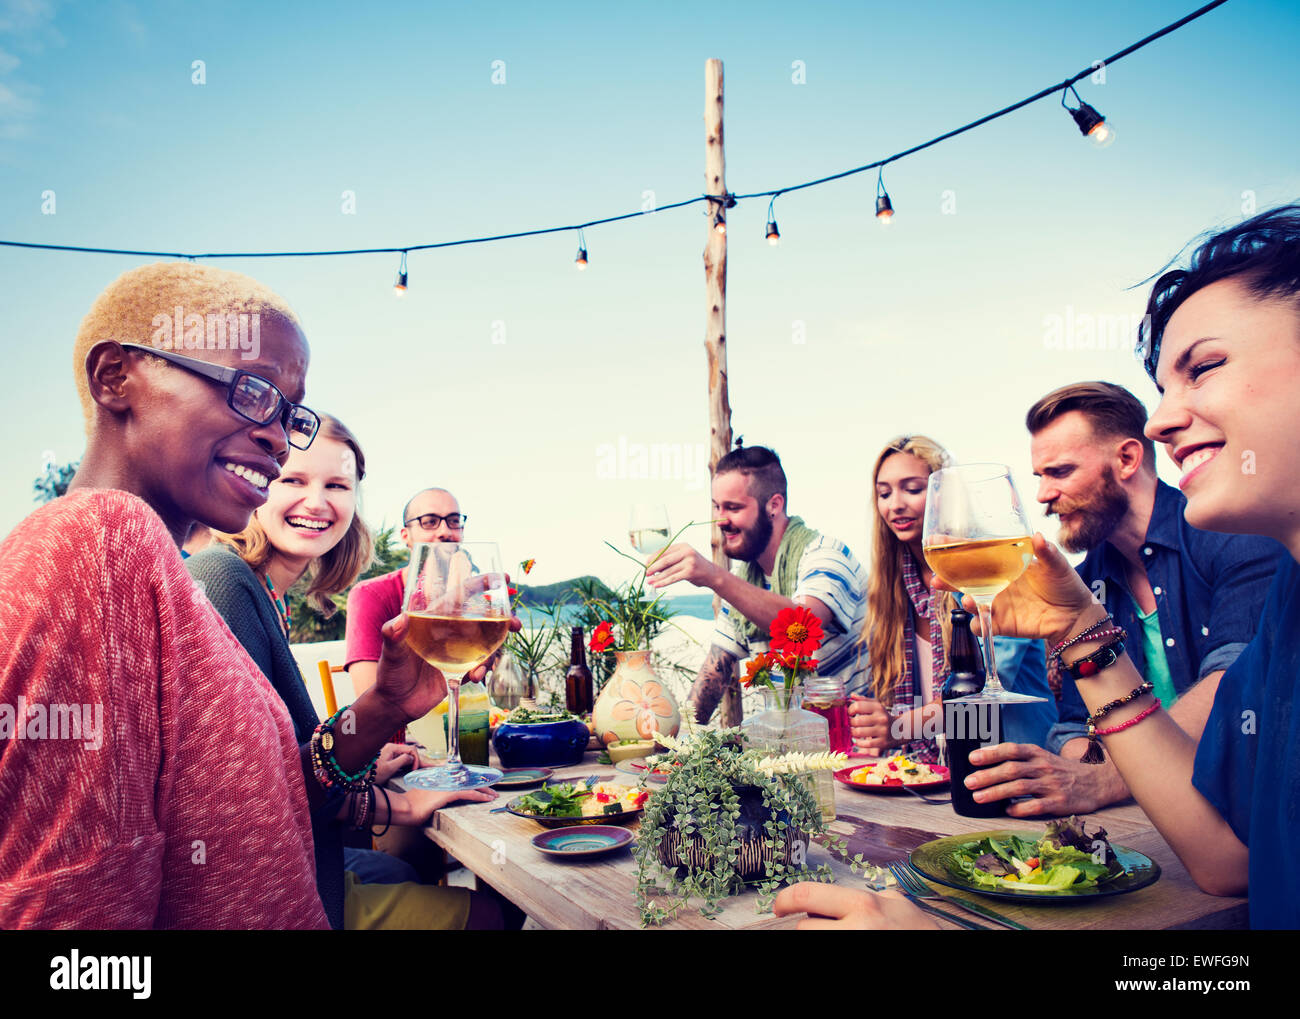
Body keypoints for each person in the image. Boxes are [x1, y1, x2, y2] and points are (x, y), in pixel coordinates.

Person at [777, 203, 1300, 929]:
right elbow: (1224, 859)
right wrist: (1082, 629)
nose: (1160, 420)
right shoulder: (1271, 610)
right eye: (1162, 388)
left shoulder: (1251, 553)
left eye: (1204, 367)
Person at [0, 262, 503, 929]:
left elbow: (284, 803)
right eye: (251, 390)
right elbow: (71, 924)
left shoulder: (169, 578)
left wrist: (382, 707)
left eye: (289, 413)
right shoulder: (102, 535)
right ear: (115, 378)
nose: (275, 433)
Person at [186, 416, 501, 929]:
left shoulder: (265, 596)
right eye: (293, 480)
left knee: (402, 871)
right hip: (262, 898)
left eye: (337, 485)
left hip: (309, 865)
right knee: (490, 913)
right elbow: (253, 797)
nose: (317, 502)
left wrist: (379, 734)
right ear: (255, 482)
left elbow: (288, 767)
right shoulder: (220, 581)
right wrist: (399, 807)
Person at [962, 381, 1282, 817]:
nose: (1042, 495)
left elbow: (1239, 684)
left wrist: (1108, 778)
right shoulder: (1081, 580)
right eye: (1040, 477)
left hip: (1259, 816)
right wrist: (1074, 775)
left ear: (1128, 459)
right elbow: (1077, 725)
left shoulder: (1231, 531)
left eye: (1059, 472)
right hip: (1150, 819)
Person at [848, 435, 1054, 762]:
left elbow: (983, 694)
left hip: (1019, 764)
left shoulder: (994, 569)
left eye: (912, 489)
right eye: (884, 493)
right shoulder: (892, 592)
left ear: (947, 495)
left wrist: (899, 727)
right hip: (937, 776)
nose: (895, 504)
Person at [645, 443, 867, 723]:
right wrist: (677, 744)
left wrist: (714, 576)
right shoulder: (742, 584)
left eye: (733, 507)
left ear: (774, 505)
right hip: (789, 749)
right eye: (716, 507)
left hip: (856, 751)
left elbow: (802, 623)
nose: (720, 520)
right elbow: (714, 673)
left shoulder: (828, 556)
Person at [345, 486, 474, 695]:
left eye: (454, 521)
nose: (445, 532)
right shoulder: (371, 595)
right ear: (406, 536)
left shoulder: (479, 601)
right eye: (430, 522)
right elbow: (367, 697)